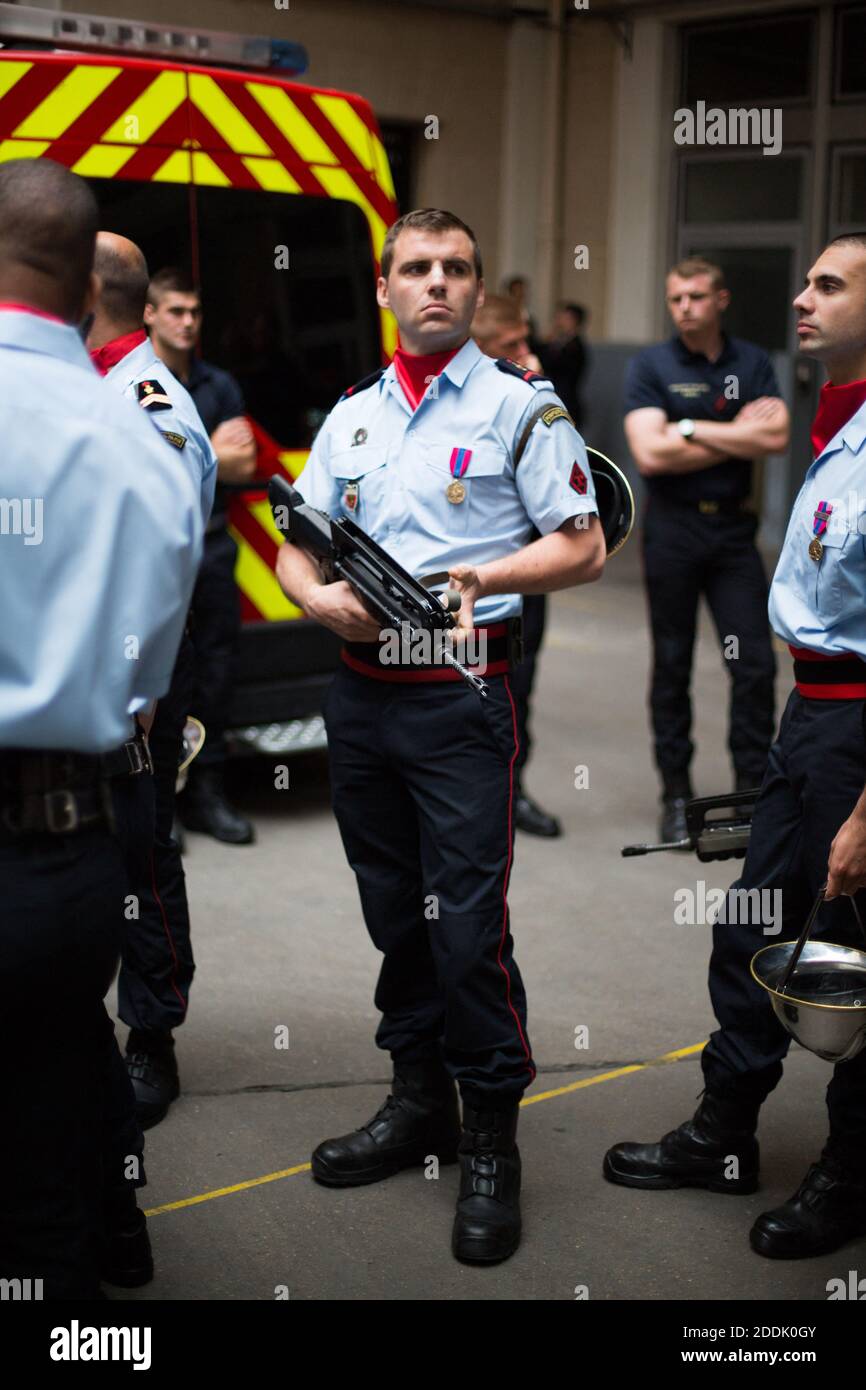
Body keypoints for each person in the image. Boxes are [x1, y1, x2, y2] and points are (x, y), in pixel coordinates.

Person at [275, 208, 605, 1265]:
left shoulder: (521, 407)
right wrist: (315, 600)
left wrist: (484, 574)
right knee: (395, 917)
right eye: (415, 268)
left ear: (474, 289)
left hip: (459, 696)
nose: (436, 283)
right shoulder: (351, 414)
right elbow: (295, 541)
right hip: (361, 699)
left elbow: (584, 545)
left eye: (455, 268)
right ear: (383, 289)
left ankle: (492, 1138)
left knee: (466, 930)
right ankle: (419, 1102)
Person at [604, 234, 866, 1260]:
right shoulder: (832, 416)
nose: (800, 297)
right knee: (749, 924)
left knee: (848, 954)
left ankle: (849, 1173)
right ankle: (724, 1132)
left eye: (828, 285)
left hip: (855, 733)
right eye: (805, 281)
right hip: (809, 721)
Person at [0, 159, 202, 1298]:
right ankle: (100, 1251)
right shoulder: (146, 441)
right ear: (90, 289)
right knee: (60, 1067)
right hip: (71, 849)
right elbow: (145, 680)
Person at [87, 234, 217, 1130]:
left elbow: (169, 558)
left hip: (131, 675)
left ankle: (152, 1032)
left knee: (141, 850)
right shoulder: (73, 383)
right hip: (71, 668)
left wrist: (140, 691)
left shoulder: (148, 400)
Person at [623, 258, 790, 842]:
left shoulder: (752, 362)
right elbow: (650, 454)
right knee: (672, 663)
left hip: (733, 533)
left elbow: (777, 435)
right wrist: (737, 435)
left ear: (720, 300)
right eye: (675, 299)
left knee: (755, 665)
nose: (685, 308)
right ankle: (676, 795)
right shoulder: (652, 364)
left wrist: (689, 429)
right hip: (672, 529)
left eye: (696, 297)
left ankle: (751, 795)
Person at [145, 268, 257, 846]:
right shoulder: (138, 383)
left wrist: (186, 457)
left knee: (216, 669)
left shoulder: (219, 385)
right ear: (149, 314)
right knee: (158, 672)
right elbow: (147, 474)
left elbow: (245, 463)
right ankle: (161, 798)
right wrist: (212, 455)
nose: (187, 322)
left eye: (194, 312)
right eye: (175, 311)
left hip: (213, 543)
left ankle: (208, 793)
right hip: (157, 549)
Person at [472, 294, 562, 837]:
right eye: (514, 345)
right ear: (480, 349)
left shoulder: (533, 397)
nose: (530, 353)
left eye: (527, 340)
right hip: (458, 581)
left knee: (518, 686)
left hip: (526, 571)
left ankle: (512, 789)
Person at [537, 302, 589, 430]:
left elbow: (555, 367)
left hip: (566, 401)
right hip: (555, 399)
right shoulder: (559, 343)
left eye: (564, 318)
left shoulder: (575, 347)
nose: (559, 322)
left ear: (574, 321)